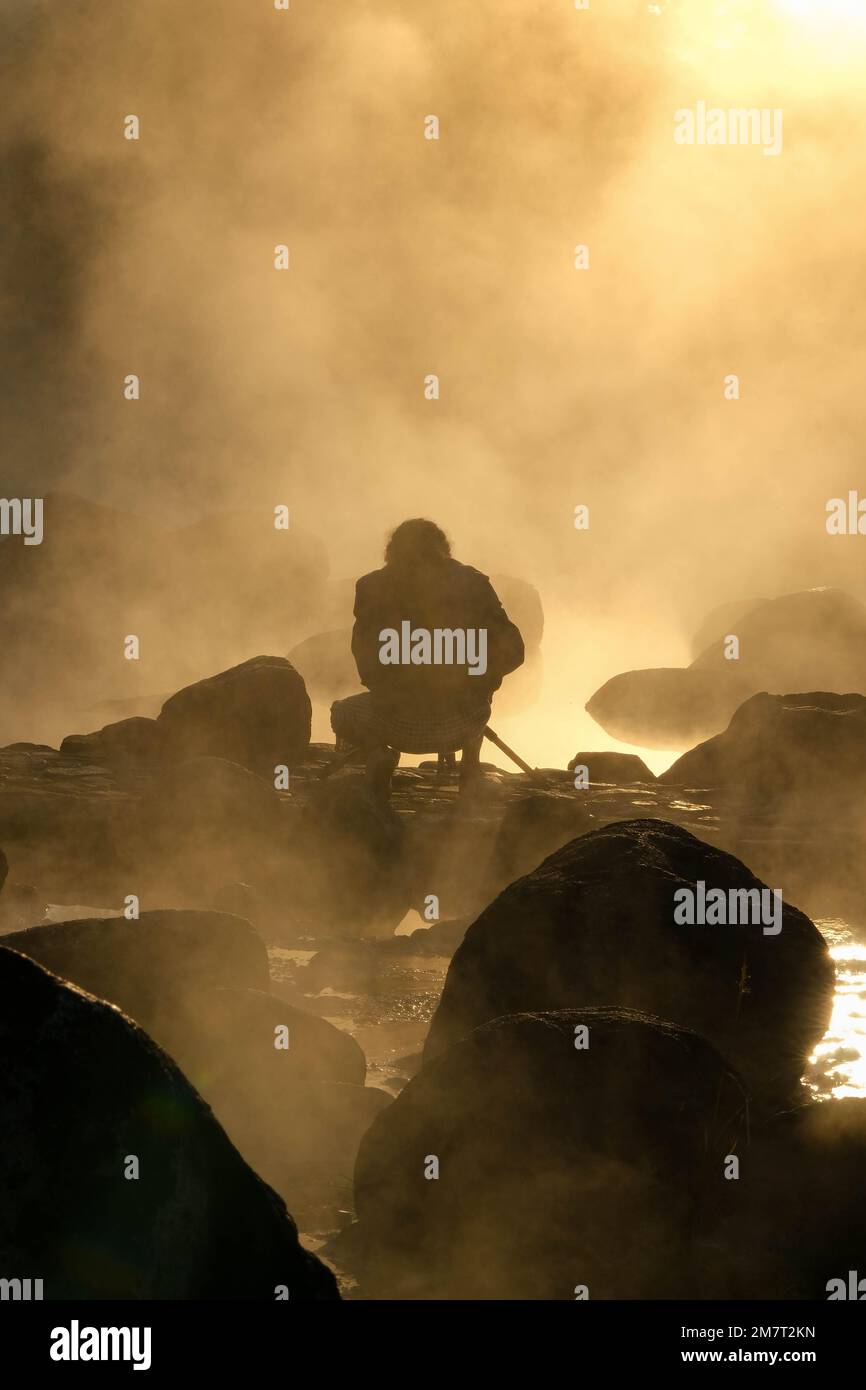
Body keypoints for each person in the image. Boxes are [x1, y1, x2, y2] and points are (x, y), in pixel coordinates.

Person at [330, 518, 524, 797]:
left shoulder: (371, 587)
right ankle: (470, 767)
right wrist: (483, 684)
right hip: (463, 721)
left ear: (392, 550)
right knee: (480, 678)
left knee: (342, 712)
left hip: (391, 724)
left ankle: (377, 754)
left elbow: (364, 653)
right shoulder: (472, 583)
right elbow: (513, 649)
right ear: (443, 548)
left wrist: (388, 690)